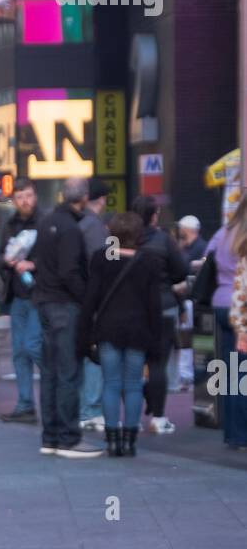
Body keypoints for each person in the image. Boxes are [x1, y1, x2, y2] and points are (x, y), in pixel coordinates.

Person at [77, 211, 163, 458]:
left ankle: (113, 440)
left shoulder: (102, 260)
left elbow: (90, 300)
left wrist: (84, 334)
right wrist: (156, 341)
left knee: (111, 384)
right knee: (134, 385)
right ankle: (130, 440)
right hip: (138, 331)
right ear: (139, 235)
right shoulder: (149, 262)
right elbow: (153, 306)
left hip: (108, 330)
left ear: (111, 233)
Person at [33, 176, 102, 457]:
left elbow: (42, 263)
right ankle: (69, 438)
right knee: (68, 372)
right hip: (65, 305)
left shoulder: (47, 222)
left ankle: (50, 436)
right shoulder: (71, 229)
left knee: (50, 372)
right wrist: (88, 302)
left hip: (44, 302)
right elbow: (70, 272)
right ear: (84, 196)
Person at [132, 195, 187, 434]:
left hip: (131, 308)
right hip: (163, 306)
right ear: (154, 216)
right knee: (158, 364)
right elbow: (181, 271)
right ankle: (159, 417)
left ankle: (132, 418)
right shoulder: (165, 240)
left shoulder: (119, 239)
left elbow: (108, 266)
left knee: (133, 364)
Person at [0, 177, 41, 423]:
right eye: (20, 196)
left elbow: (56, 257)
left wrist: (33, 264)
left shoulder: (45, 223)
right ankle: (25, 404)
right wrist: (8, 260)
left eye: (29, 195)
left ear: (35, 196)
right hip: (17, 294)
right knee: (19, 352)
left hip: (38, 293)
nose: (25, 201)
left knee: (33, 346)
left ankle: (60, 387)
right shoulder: (10, 224)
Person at [207, 192, 247, 450]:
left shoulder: (224, 232)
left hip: (220, 304)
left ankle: (233, 433)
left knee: (232, 373)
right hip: (241, 312)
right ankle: (242, 433)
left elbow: (205, 259)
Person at [77, 176, 110, 432]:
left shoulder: (76, 221)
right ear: (103, 200)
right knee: (93, 354)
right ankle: (91, 409)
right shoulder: (96, 226)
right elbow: (100, 264)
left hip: (75, 297)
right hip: (92, 298)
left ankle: (83, 408)